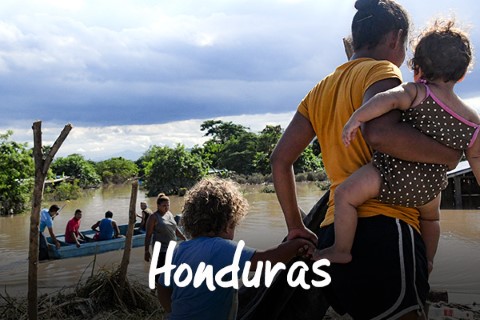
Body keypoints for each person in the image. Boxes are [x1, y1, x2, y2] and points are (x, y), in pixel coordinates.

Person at [270, 0, 461, 319]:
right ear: (395, 39)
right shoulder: (382, 71)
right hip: (384, 229)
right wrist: (449, 154)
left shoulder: (320, 89)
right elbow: (379, 133)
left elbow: (280, 160)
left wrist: (296, 226)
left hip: (335, 235)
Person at [316, 19, 476, 269]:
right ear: (463, 74)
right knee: (432, 220)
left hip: (393, 174)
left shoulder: (415, 91)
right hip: (430, 189)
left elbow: (385, 100)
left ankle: (341, 249)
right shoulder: (472, 120)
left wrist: (356, 118)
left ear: (418, 68)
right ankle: (430, 260)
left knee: (346, 195)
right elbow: (475, 158)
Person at [157, 177, 314, 320]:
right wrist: (296, 245)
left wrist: (173, 310)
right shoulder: (221, 248)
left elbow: (162, 287)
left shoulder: (180, 249)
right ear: (227, 225)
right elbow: (267, 260)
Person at [144, 193, 186, 283]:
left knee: (170, 271)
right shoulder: (153, 217)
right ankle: (154, 291)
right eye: (164, 206)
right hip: (161, 250)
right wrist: (146, 251)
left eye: (168, 205)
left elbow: (175, 229)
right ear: (158, 205)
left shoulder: (169, 214)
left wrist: (185, 239)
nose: (166, 208)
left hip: (172, 248)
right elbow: (148, 235)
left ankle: (165, 290)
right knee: (159, 271)